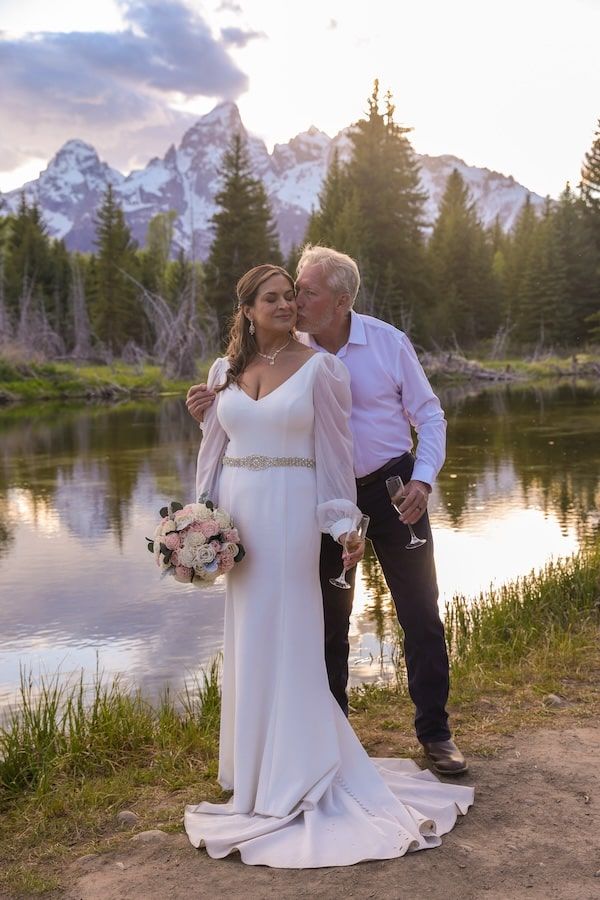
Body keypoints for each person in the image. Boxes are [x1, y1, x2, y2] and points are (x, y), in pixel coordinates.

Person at [184, 264, 473, 868]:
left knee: (415, 613)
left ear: (337, 299)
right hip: (245, 518)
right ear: (248, 308)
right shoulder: (225, 372)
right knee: (298, 633)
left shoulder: (352, 355)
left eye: (301, 293)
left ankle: (430, 734)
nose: (293, 303)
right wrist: (196, 524)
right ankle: (262, 761)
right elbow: (215, 449)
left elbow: (364, 442)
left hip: (370, 493)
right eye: (281, 296)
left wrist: (369, 510)